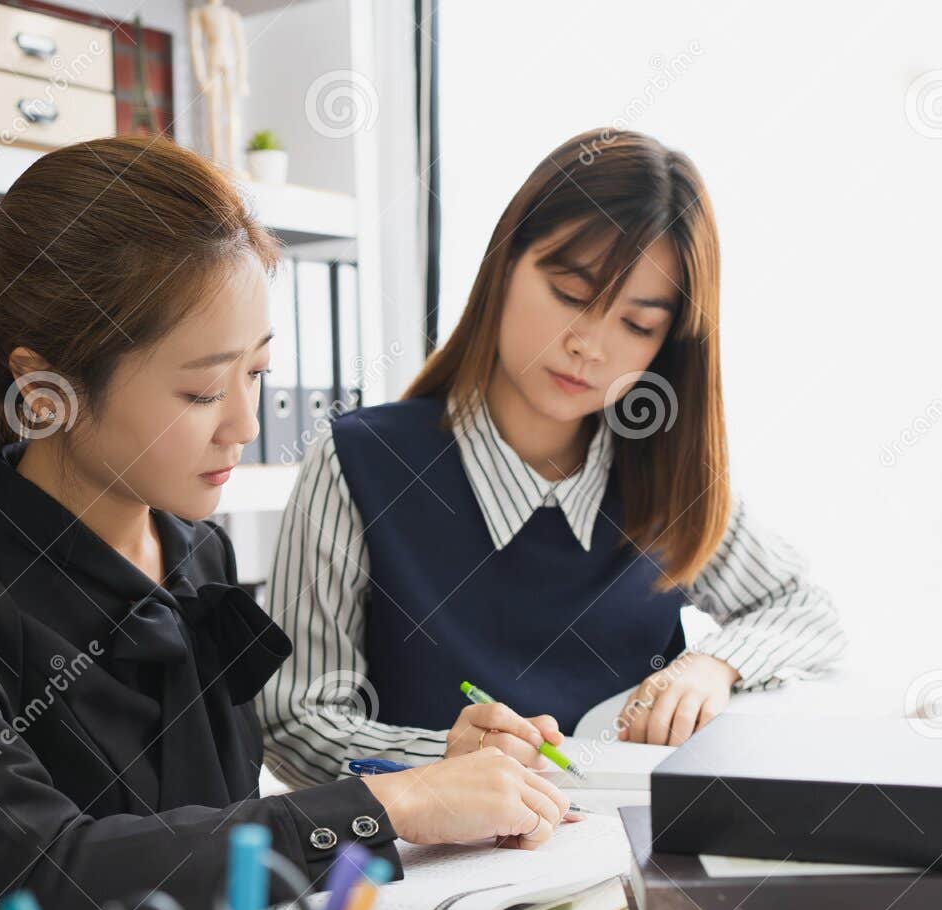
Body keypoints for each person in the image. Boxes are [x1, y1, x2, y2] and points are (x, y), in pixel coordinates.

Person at [0, 136, 571, 910]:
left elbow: (210, 830)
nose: (245, 425)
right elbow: (40, 891)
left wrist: (431, 776)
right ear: (44, 393)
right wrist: (389, 804)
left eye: (257, 373)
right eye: (201, 391)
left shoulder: (196, 554)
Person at [260, 129, 846, 788]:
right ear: (505, 264)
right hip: (436, 870)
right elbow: (294, 723)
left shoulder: (664, 476)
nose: (590, 346)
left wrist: (712, 664)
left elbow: (808, 611)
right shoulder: (360, 462)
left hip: (623, 861)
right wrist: (446, 763)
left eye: (637, 325)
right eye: (571, 293)